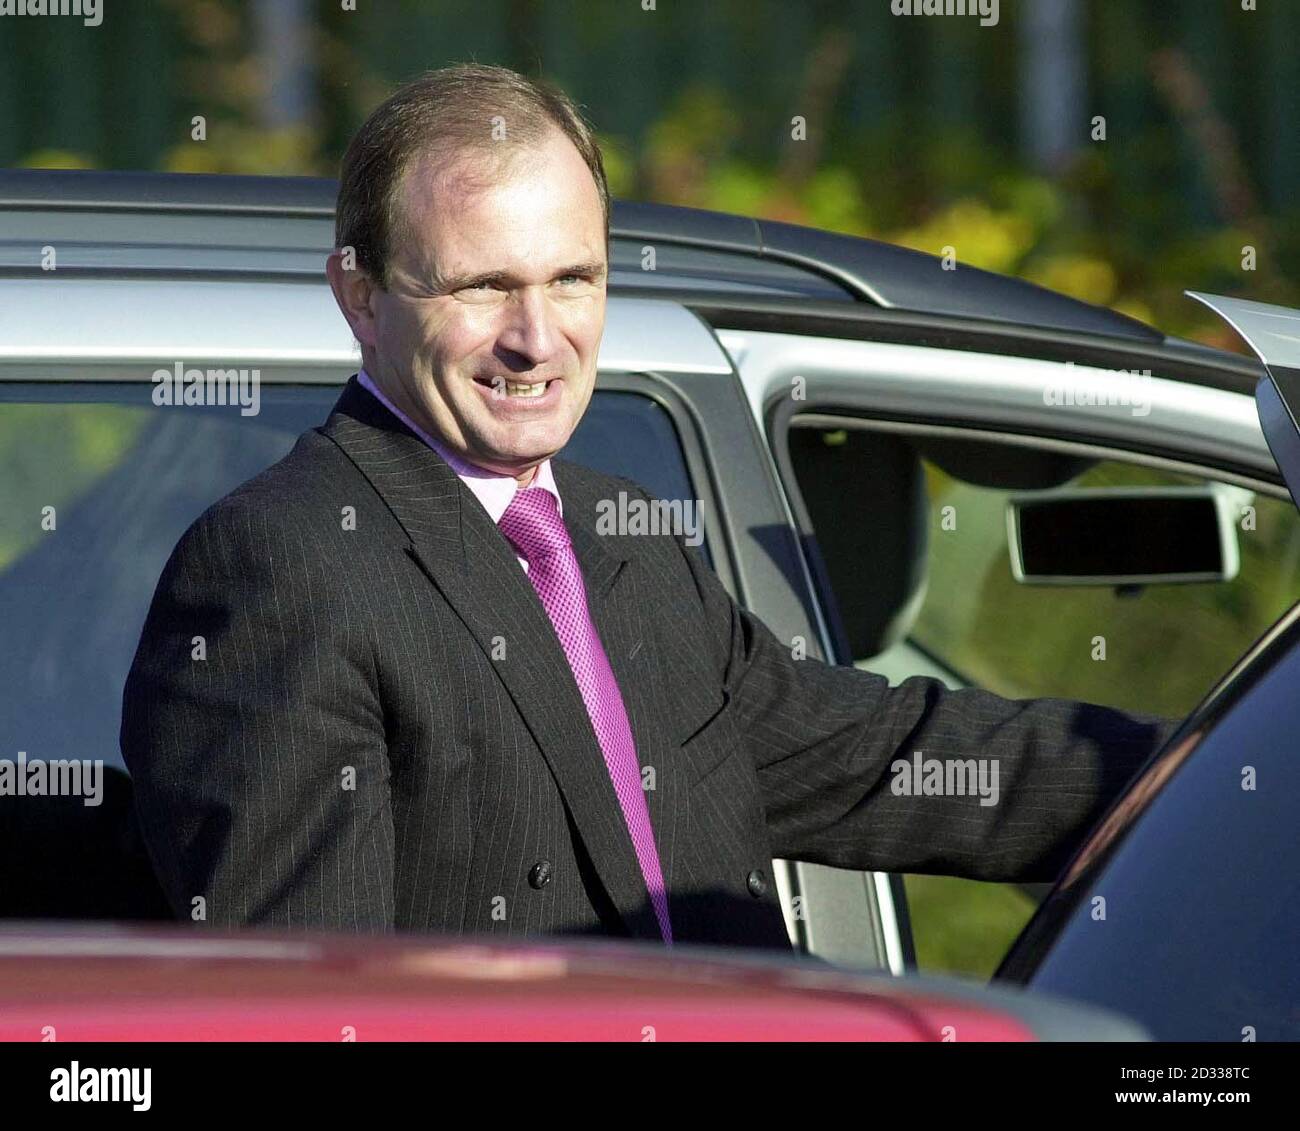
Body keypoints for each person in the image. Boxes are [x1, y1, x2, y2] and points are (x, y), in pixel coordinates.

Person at [121, 63, 1175, 949]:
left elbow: (871, 761)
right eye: (484, 287)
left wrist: (1215, 771)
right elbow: (314, 1012)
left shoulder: (619, 534)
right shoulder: (280, 567)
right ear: (360, 296)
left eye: (573, 278)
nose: (538, 338)